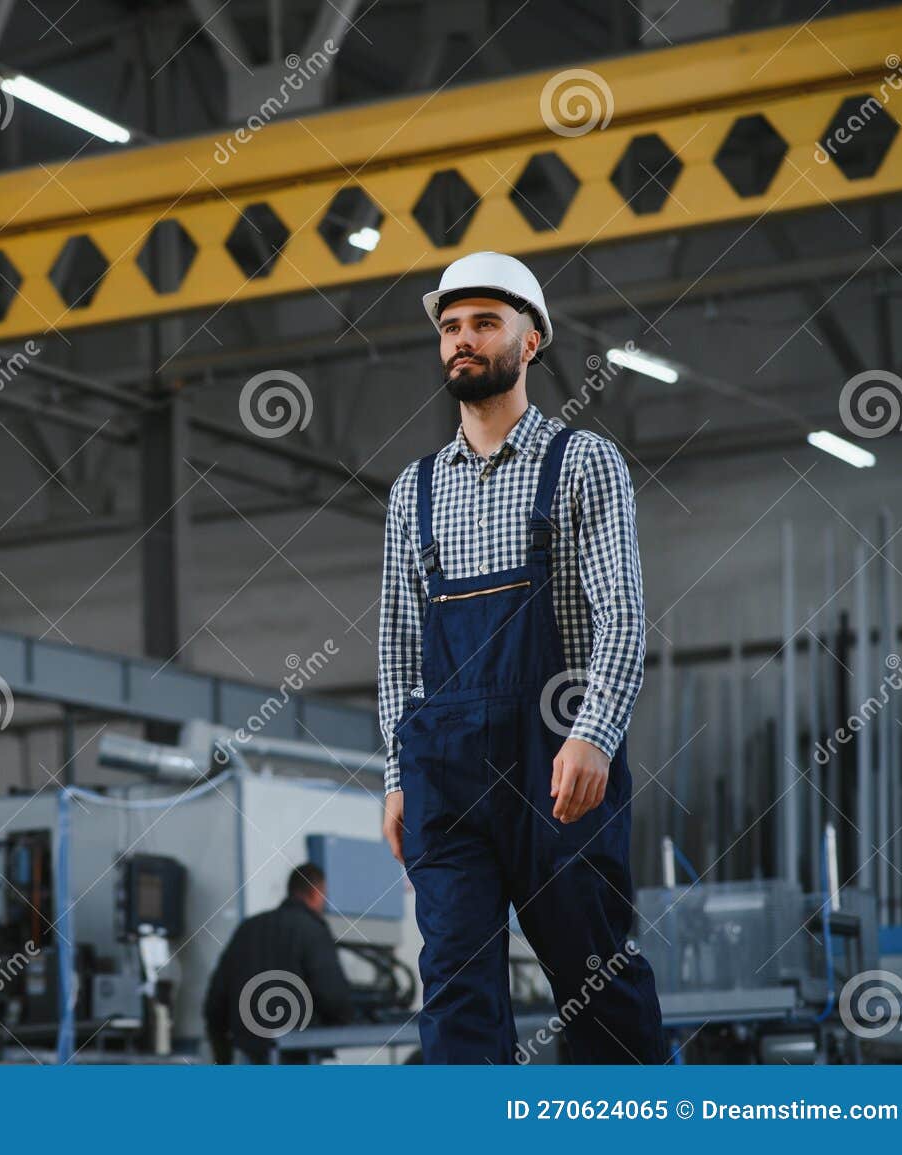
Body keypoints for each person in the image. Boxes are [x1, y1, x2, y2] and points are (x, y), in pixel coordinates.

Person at [377, 251, 667, 1065]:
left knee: (596, 982)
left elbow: (624, 614)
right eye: (450, 327)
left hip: (557, 764)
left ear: (531, 340)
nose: (462, 341)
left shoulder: (581, 464)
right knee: (457, 993)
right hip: (445, 780)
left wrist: (594, 735)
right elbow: (399, 646)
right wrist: (398, 776)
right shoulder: (415, 490)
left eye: (483, 324)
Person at [203, 863, 355, 1063]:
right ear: (317, 893)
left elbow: (214, 1003)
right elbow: (334, 997)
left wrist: (223, 1059)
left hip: (249, 1058)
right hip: (298, 1058)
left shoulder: (248, 929)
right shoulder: (311, 930)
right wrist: (349, 1018)